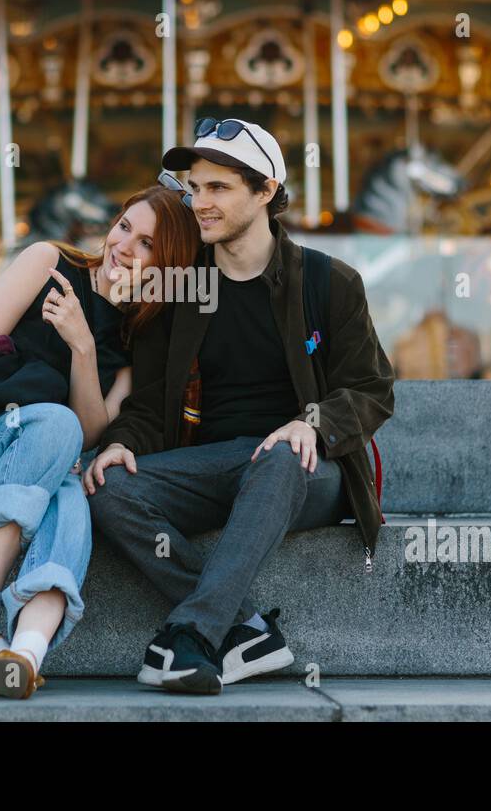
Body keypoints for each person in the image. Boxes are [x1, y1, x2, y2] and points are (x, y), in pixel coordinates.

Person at [84, 117, 395, 694]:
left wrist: (314, 425)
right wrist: (123, 442)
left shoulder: (330, 282)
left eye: (218, 188)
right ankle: (249, 630)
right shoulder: (179, 287)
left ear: (266, 191)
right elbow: (152, 403)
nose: (199, 202)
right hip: (211, 466)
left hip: (307, 470)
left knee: (278, 457)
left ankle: (193, 635)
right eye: (195, 187)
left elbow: (373, 389)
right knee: (109, 486)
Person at [0, 184, 199, 698]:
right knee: (57, 429)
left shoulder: (136, 337)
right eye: (125, 227)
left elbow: (94, 430)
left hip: (33, 480)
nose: (125, 246)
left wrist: (82, 348)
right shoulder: (48, 263)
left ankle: (25, 652)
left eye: (147, 245)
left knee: (72, 484)